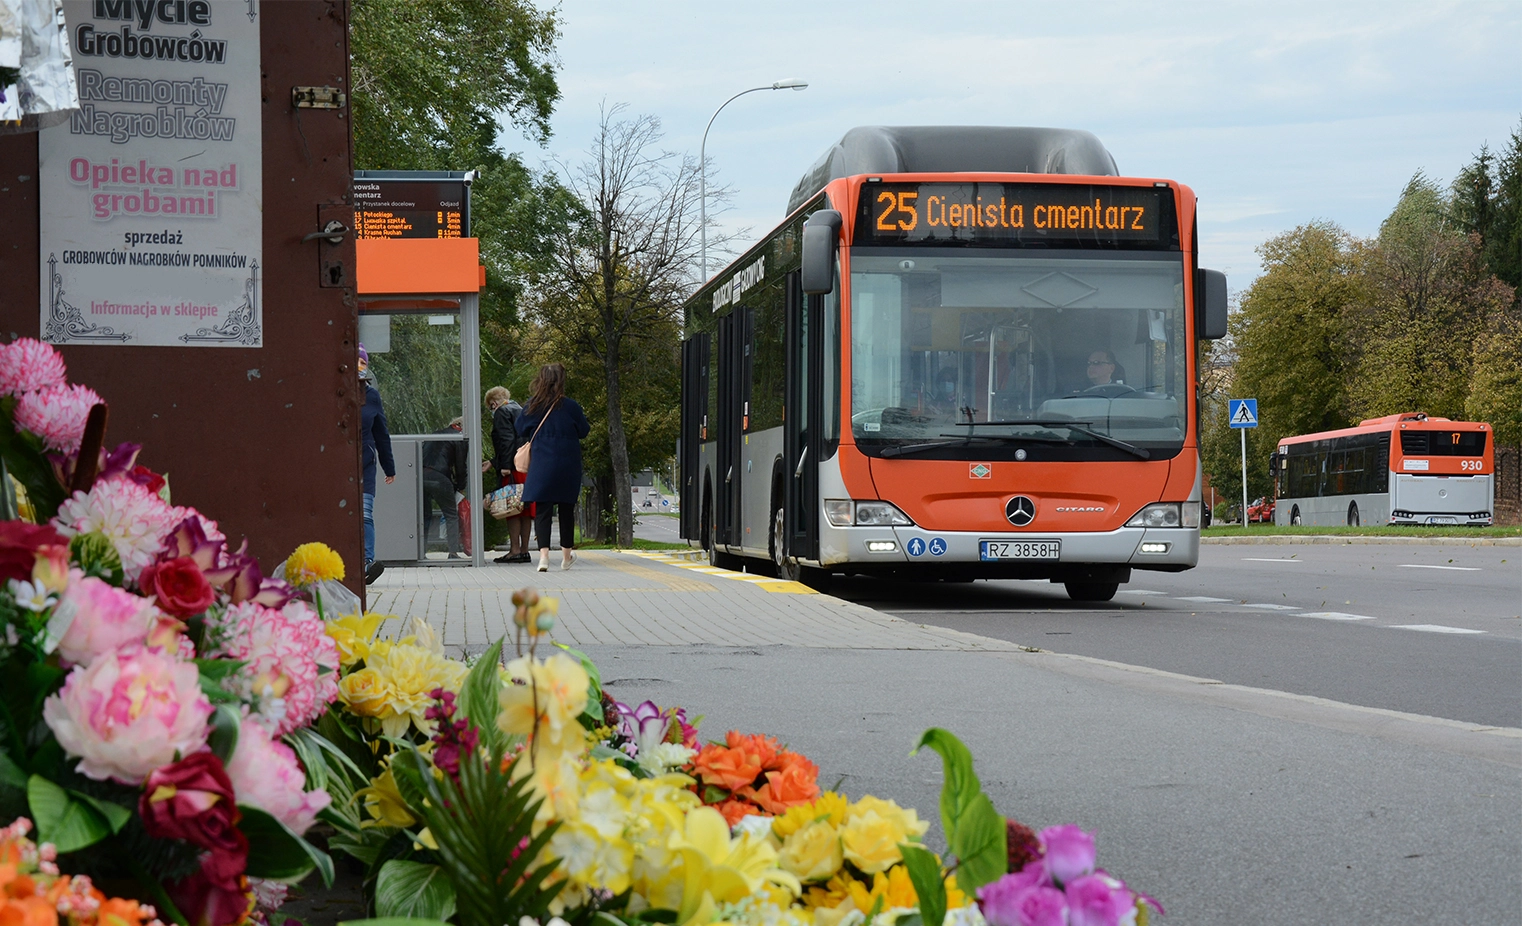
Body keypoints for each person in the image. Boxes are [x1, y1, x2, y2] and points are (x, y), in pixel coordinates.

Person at [515, 363, 591, 572]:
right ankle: (566, 557)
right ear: (561, 381)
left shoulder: (532, 406)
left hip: (542, 464)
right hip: (568, 464)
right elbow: (584, 431)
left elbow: (520, 428)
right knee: (566, 509)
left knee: (543, 510)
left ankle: (544, 558)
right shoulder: (572, 407)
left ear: (541, 380)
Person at [358, 344, 395, 584]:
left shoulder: (371, 395)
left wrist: (389, 467)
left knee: (365, 514)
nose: (360, 367)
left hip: (365, 463)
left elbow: (381, 433)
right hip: (338, 466)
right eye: (356, 361)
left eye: (363, 363)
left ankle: (366, 563)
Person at [486, 386, 531, 563]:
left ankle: (514, 550)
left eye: (490, 406)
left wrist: (504, 465)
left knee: (511, 508)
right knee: (525, 509)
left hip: (511, 468)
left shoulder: (501, 412)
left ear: (494, 402)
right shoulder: (521, 409)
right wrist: (493, 462)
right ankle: (525, 550)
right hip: (524, 465)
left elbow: (506, 440)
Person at [421, 418, 467, 558]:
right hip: (440, 477)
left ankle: (421, 552)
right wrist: (461, 486)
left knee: (424, 515)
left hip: (422, 475)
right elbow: (460, 466)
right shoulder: (459, 438)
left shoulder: (435, 434)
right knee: (451, 514)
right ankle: (453, 552)